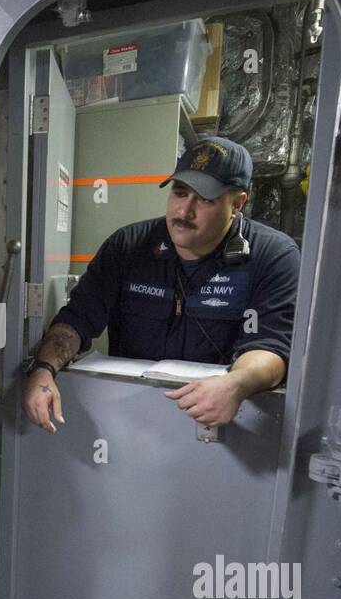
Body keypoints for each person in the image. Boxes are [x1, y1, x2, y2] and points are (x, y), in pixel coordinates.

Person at [22, 136, 299, 431]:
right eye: (180, 193)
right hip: (129, 418)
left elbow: (271, 347)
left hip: (215, 418)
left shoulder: (272, 256)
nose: (184, 211)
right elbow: (78, 318)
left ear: (237, 203)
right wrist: (43, 370)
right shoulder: (128, 246)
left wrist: (235, 384)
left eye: (205, 199)